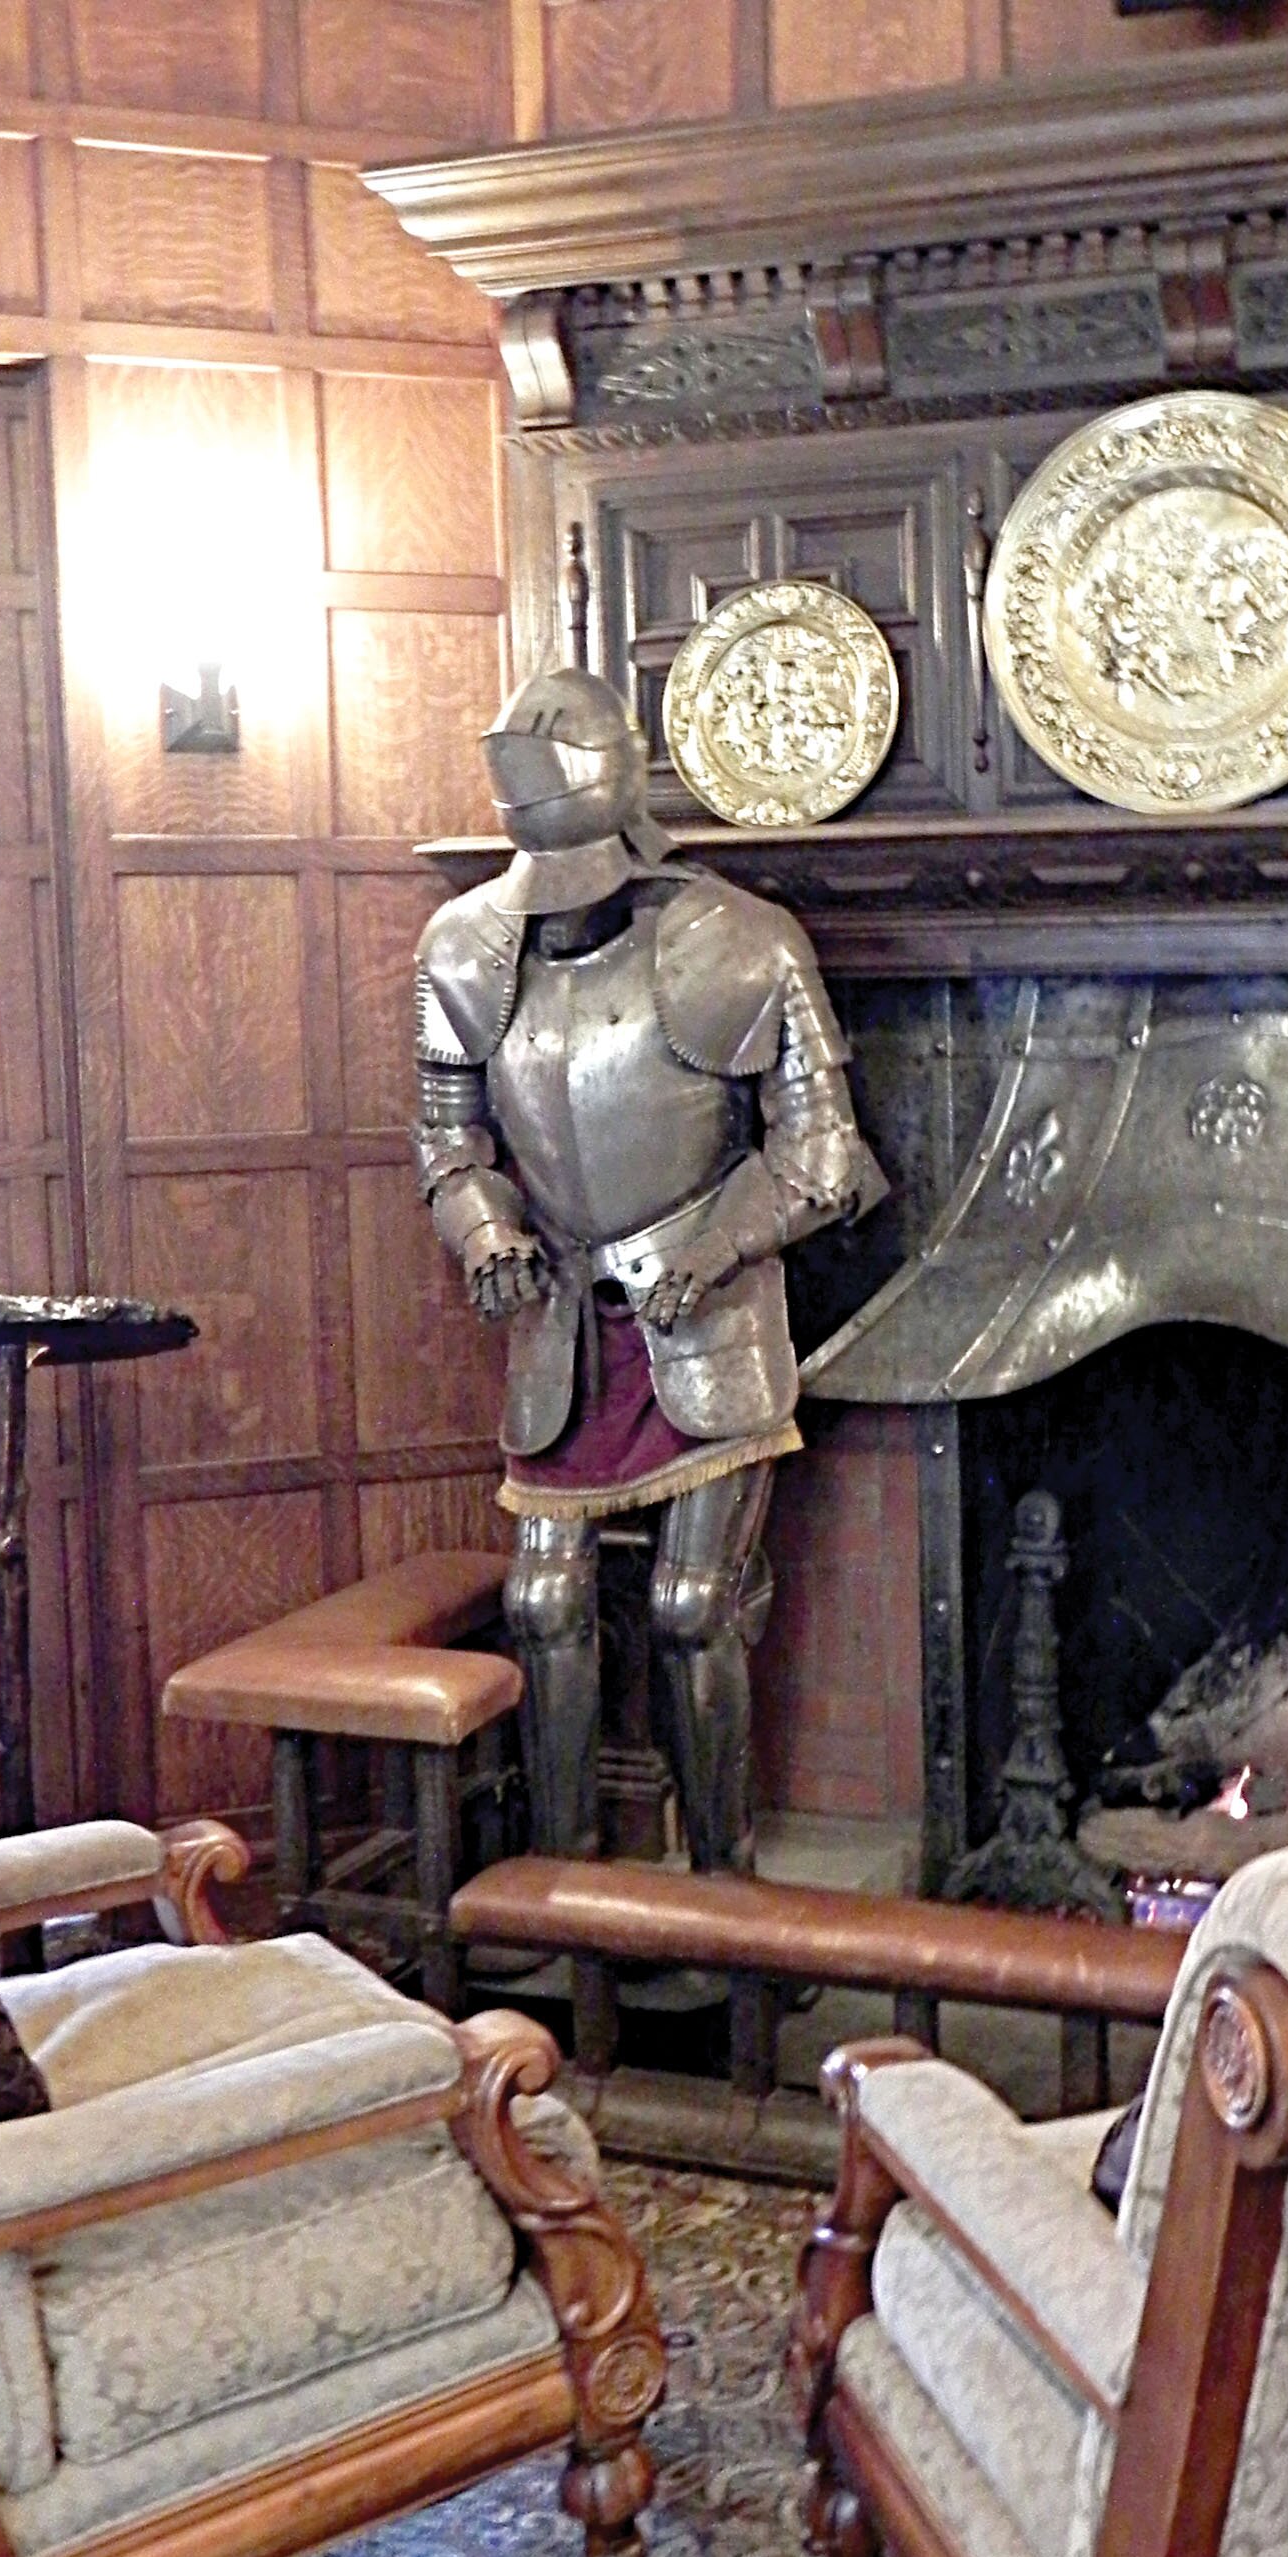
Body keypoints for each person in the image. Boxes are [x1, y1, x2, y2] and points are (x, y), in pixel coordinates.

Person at [413, 666, 886, 1872]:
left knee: (690, 1610)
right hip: (560, 1323)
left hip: (709, 1313)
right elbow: (447, 1138)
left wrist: (717, 1245)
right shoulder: (466, 947)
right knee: (543, 1605)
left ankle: (721, 1890)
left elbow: (826, 1158)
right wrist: (491, 1237)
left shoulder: (739, 939)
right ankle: (567, 1905)